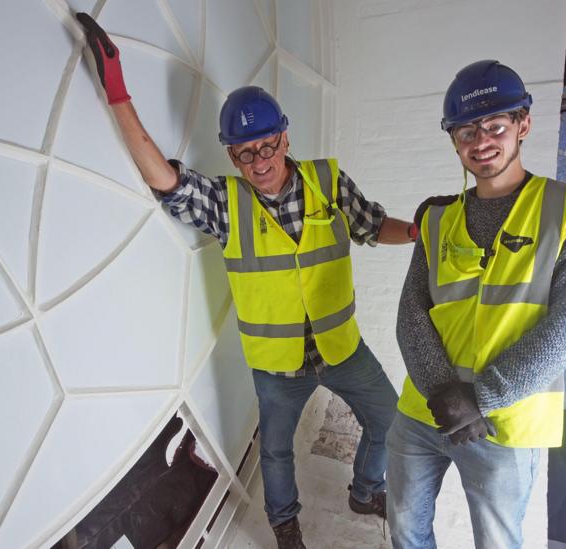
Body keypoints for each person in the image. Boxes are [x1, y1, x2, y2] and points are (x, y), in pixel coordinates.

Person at [75, 14, 412, 549]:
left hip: (342, 348)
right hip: (277, 365)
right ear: (232, 154)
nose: (260, 161)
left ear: (284, 135)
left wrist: (418, 231)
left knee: (389, 419)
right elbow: (165, 178)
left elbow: (372, 224)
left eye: (268, 145)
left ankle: (366, 489)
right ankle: (285, 525)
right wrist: (117, 90)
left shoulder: (326, 180)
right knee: (275, 452)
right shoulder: (227, 205)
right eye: (245, 152)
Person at [388, 60, 566, 548]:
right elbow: (411, 314)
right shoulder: (438, 218)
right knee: (404, 526)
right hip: (425, 409)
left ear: (523, 124)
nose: (481, 140)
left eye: (495, 125)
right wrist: (443, 392)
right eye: (466, 130)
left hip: (507, 423)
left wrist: (481, 397)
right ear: (453, 140)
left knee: (497, 540)